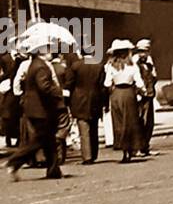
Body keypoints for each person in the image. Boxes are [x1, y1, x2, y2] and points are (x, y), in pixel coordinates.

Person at [6, 42, 63, 180]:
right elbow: (44, 87)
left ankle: (53, 170)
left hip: (35, 108)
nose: (51, 51)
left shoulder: (34, 64)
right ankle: (14, 161)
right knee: (39, 140)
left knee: (48, 140)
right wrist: (59, 92)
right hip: (41, 109)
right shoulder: (41, 67)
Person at [103, 40, 144, 162]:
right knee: (130, 122)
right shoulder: (132, 66)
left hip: (116, 94)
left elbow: (107, 83)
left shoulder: (111, 66)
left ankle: (123, 150)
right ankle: (130, 148)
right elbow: (140, 82)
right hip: (129, 93)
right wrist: (142, 89)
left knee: (119, 122)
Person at [65, 45, 105, 165]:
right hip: (95, 99)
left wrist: (67, 100)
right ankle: (94, 153)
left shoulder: (75, 66)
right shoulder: (99, 66)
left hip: (79, 99)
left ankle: (87, 156)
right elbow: (102, 86)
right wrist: (103, 101)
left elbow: (69, 84)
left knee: (83, 129)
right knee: (94, 128)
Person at [133, 40, 157, 155]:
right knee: (139, 121)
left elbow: (153, 78)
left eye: (145, 51)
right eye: (141, 51)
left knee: (148, 122)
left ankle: (145, 146)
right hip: (139, 96)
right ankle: (138, 146)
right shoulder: (134, 63)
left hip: (149, 95)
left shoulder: (149, 63)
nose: (143, 54)